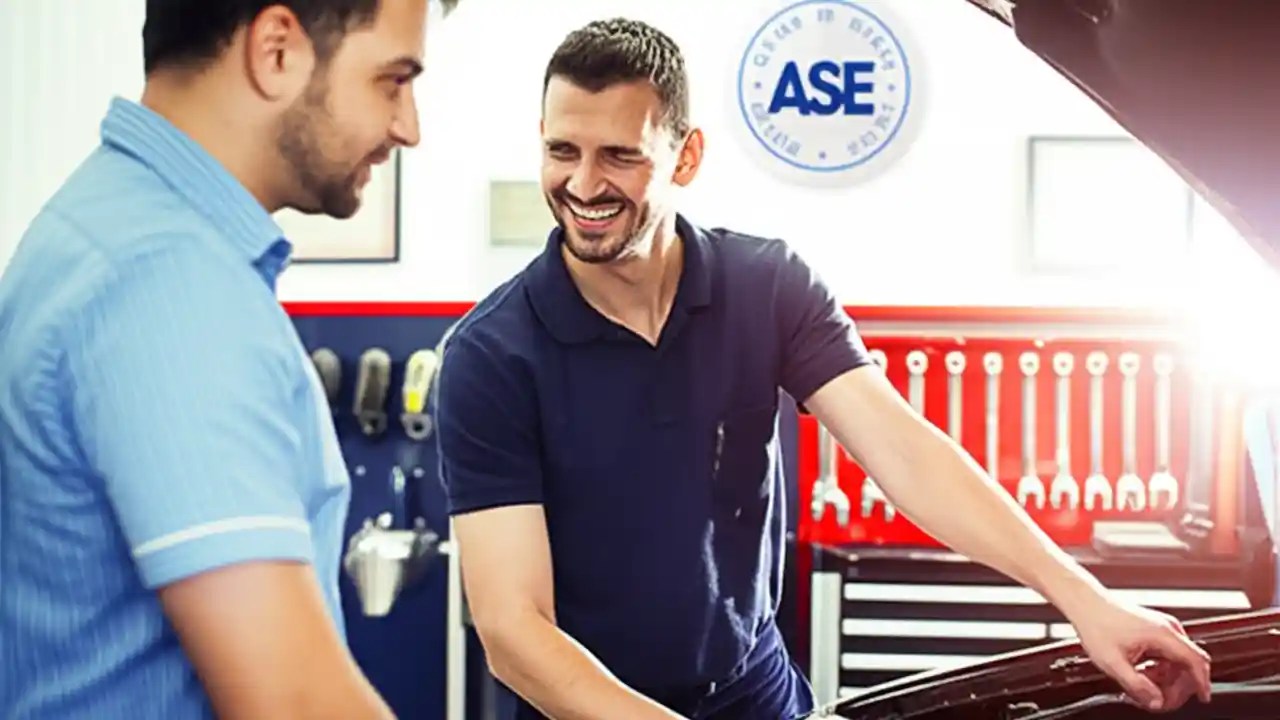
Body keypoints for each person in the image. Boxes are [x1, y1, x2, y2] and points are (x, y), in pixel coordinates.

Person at [434, 17, 1214, 720]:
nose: (583, 184)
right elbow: (512, 630)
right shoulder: (492, 355)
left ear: (687, 156)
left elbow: (905, 454)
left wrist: (1083, 597)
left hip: (757, 695)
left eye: (620, 156)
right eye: (562, 151)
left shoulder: (765, 286)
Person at [0, 1, 433, 717]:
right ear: (276, 52)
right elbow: (293, 704)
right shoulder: (169, 280)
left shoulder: (99, 225)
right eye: (393, 80)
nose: (408, 127)